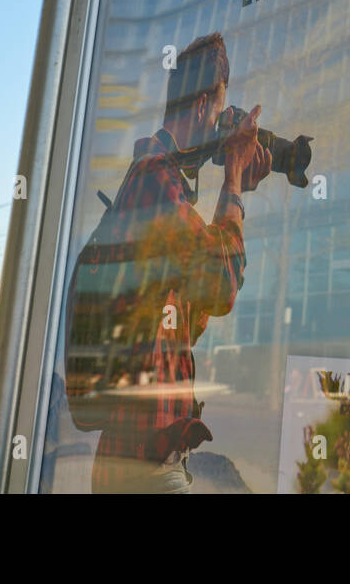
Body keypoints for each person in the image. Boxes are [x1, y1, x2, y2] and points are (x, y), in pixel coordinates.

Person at [78, 32, 270, 493]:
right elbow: (222, 285)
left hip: (138, 463)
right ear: (204, 104)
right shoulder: (155, 179)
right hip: (145, 469)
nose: (222, 121)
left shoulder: (151, 183)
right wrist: (234, 188)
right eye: (220, 108)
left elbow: (190, 322)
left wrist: (233, 185)